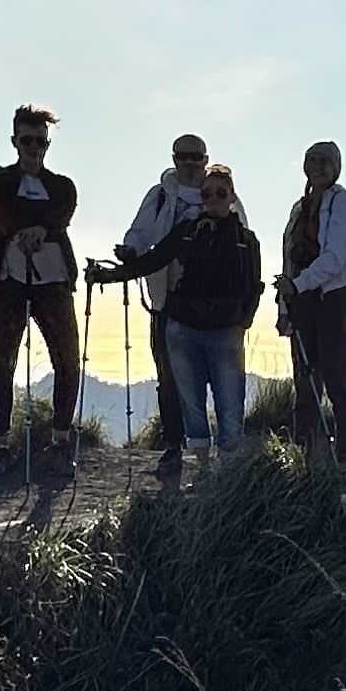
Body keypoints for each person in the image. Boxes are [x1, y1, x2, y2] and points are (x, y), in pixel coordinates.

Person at [103, 162, 264, 473]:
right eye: (207, 195)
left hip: (218, 331)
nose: (213, 199)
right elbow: (154, 259)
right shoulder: (188, 231)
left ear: (232, 197)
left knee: (228, 404)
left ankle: (223, 471)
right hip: (187, 329)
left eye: (220, 193)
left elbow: (254, 286)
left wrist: (243, 322)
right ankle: (206, 470)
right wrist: (113, 274)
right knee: (193, 404)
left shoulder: (246, 239)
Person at [0, 104, 82, 474]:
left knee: (68, 359)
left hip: (53, 281)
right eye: (27, 140)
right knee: (1, 361)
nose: (34, 146)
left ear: (47, 144)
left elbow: (63, 212)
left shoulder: (62, 186)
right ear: (14, 141)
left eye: (40, 140)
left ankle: (61, 439)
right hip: (9, 279)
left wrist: (37, 230)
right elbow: (0, 210)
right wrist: (36, 229)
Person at [116, 132, 213, 482]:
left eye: (195, 156)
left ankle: (206, 452)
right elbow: (140, 233)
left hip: (211, 302)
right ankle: (175, 447)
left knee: (209, 376)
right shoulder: (159, 195)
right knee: (169, 378)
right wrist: (131, 250)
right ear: (174, 159)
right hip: (167, 299)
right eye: (182, 156)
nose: (189, 162)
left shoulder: (218, 192)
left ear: (205, 159)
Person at [276, 139, 346, 465]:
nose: (316, 166)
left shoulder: (344, 204)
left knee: (338, 379)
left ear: (336, 168)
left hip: (335, 302)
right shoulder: (300, 208)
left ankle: (342, 459)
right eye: (311, 159)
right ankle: (307, 456)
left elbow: (335, 257)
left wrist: (296, 287)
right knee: (305, 379)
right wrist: (286, 307)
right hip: (305, 302)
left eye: (323, 161)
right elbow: (289, 257)